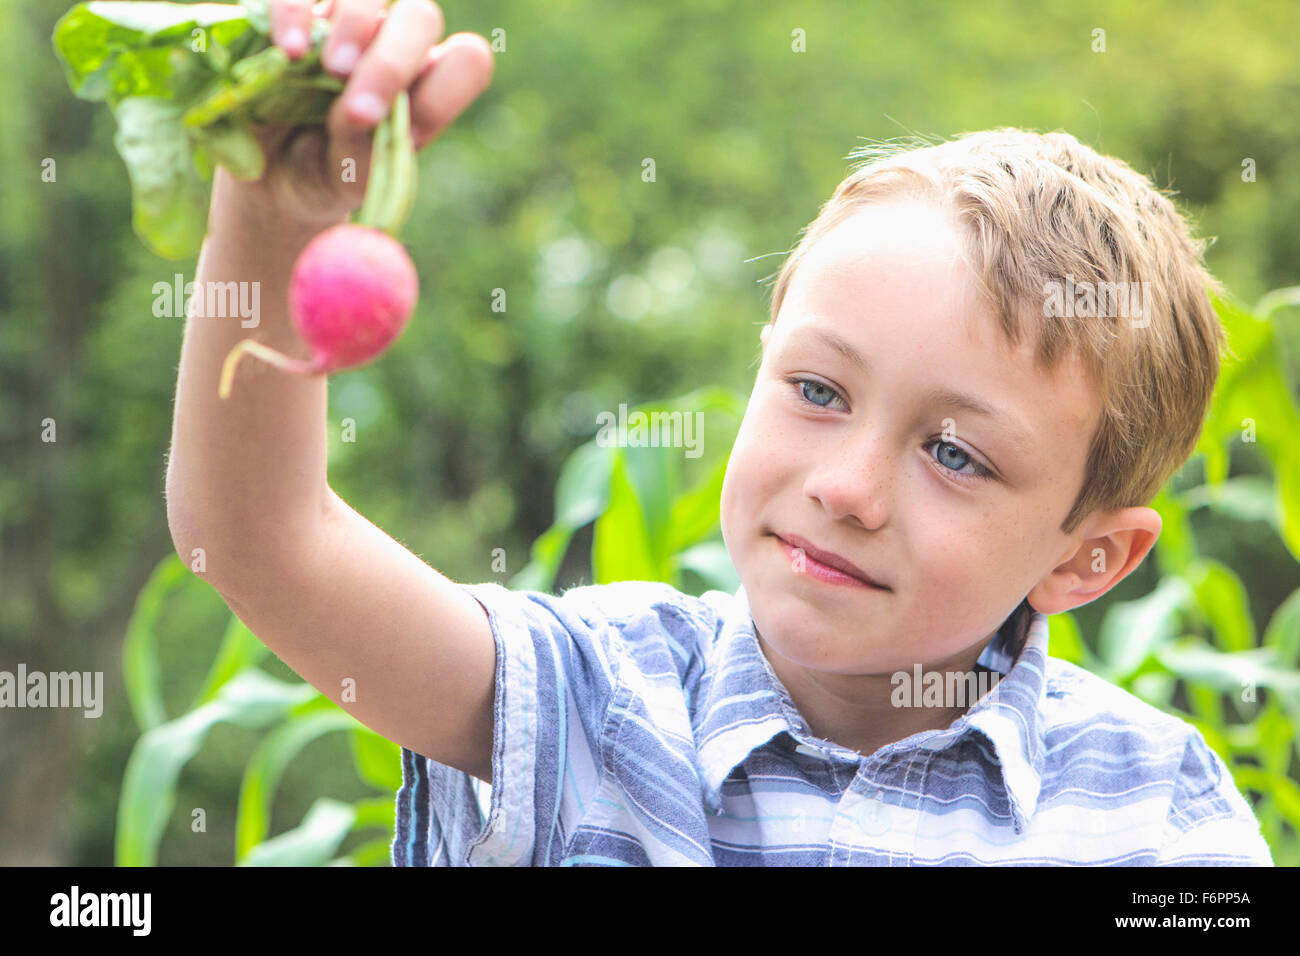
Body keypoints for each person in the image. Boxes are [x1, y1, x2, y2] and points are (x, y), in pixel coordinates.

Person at [164, 0, 1273, 866]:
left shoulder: (1155, 806)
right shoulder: (592, 697)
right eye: (817, 390)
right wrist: (271, 219)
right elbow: (264, 539)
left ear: (1089, 557)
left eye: (955, 454)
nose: (847, 487)